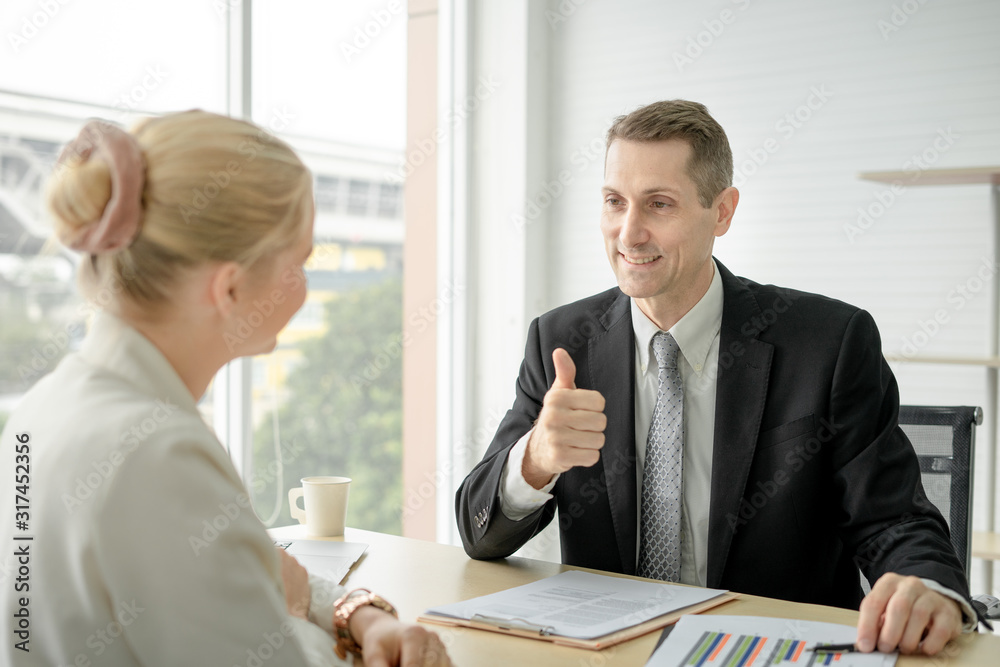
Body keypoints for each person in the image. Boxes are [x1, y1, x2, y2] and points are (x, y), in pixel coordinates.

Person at [456, 99, 977, 656]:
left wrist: (930, 588)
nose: (629, 234)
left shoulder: (828, 343)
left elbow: (894, 520)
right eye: (614, 202)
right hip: (613, 653)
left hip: (769, 653)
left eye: (659, 204)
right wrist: (535, 458)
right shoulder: (562, 342)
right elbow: (477, 531)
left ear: (722, 211)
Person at [0, 112, 451, 666]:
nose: (307, 287)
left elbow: (266, 574)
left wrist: (356, 613)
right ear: (232, 289)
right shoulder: (157, 455)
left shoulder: (43, 409)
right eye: (303, 262)